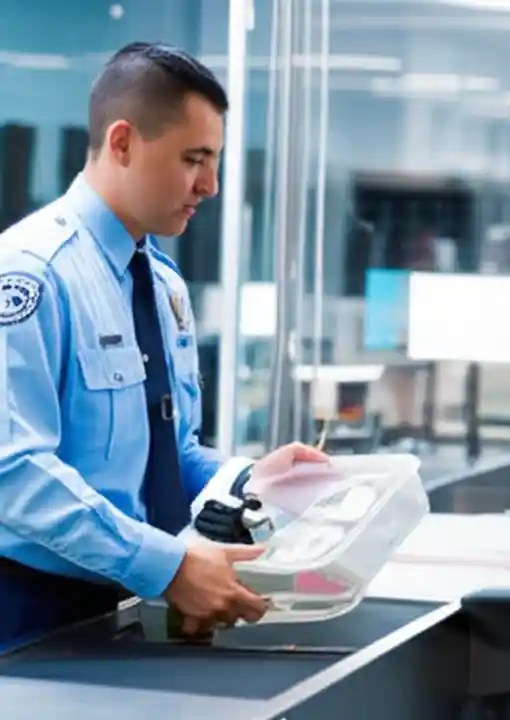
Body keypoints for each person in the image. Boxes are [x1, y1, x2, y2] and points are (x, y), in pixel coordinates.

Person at [0, 42, 329, 647]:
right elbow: (11, 470)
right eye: (193, 159)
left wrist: (250, 479)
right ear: (123, 143)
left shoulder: (163, 285)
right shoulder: (30, 275)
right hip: (22, 620)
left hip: (121, 606)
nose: (211, 185)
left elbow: (165, 455)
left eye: (215, 161)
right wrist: (170, 566)